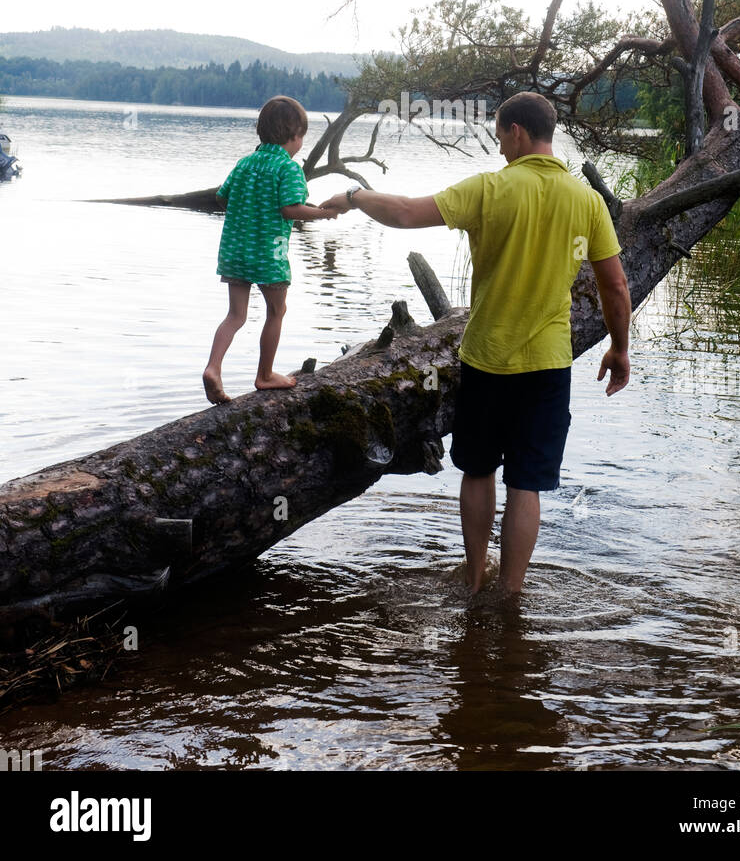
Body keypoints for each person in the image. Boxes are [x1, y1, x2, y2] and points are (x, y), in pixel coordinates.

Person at [322, 91, 631, 597]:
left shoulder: (491, 189)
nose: (499, 148)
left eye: (499, 136)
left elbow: (402, 213)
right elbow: (615, 286)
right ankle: (510, 594)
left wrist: (355, 197)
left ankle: (472, 579)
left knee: (479, 470)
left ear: (517, 131)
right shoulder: (587, 200)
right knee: (526, 484)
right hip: (547, 366)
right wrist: (619, 349)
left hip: (487, 359)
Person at [203, 95, 339, 405]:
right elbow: (291, 209)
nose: (302, 142)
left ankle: (213, 367)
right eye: (302, 135)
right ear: (293, 135)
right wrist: (323, 213)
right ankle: (265, 375)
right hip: (269, 254)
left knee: (235, 316)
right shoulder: (288, 169)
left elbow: (222, 199)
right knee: (276, 311)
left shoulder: (245, 164)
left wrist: (247, 211)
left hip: (235, 251)